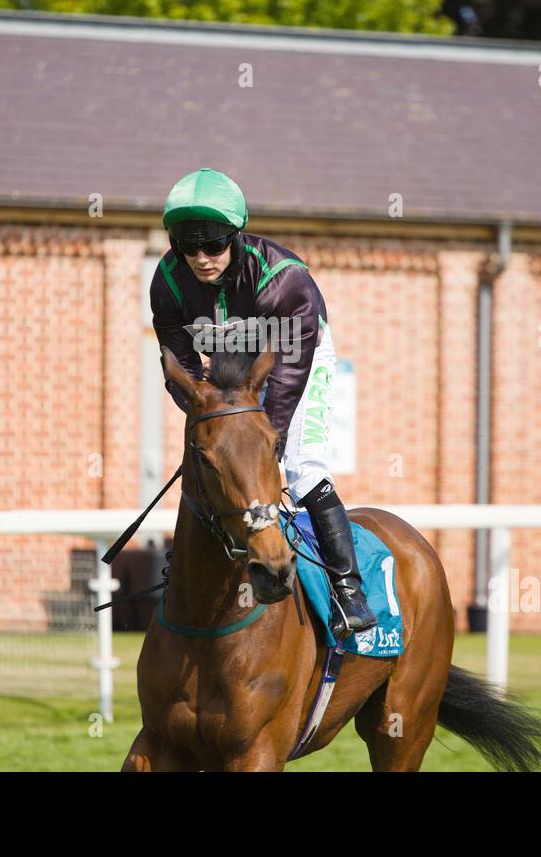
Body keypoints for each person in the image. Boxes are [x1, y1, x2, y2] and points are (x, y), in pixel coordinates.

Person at [150, 167, 377, 638]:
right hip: (234, 367)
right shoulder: (168, 282)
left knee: (299, 464)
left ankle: (348, 589)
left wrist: (265, 438)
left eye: (213, 244)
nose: (201, 258)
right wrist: (212, 421)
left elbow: (289, 372)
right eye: (187, 246)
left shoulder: (282, 279)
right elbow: (181, 369)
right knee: (217, 456)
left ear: (235, 236)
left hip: (298, 358)